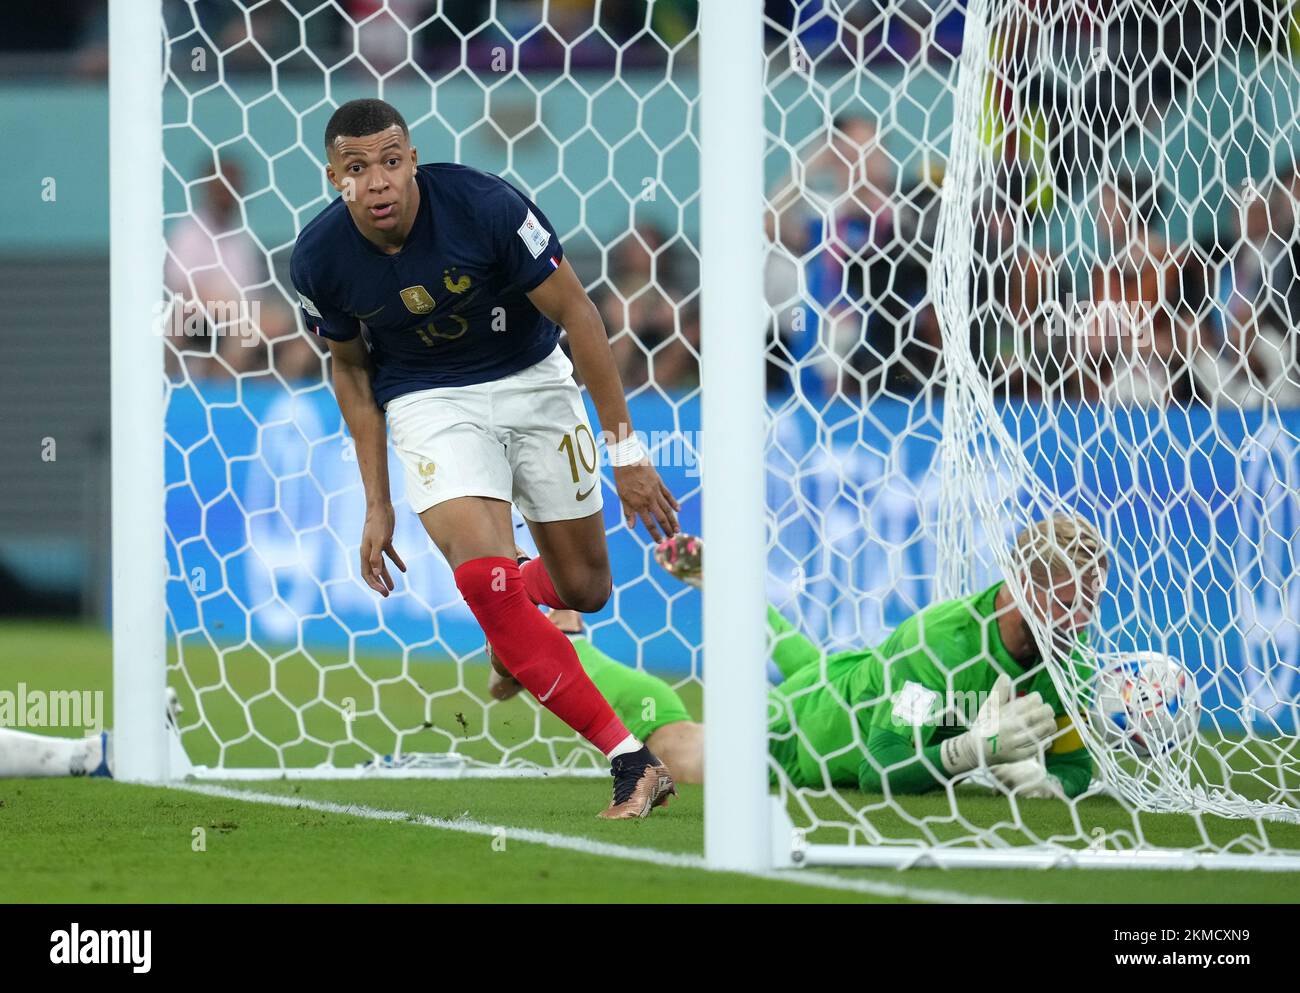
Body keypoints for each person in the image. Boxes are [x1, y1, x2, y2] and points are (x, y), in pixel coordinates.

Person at [289, 98, 679, 818]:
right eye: (355, 168)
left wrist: (625, 450)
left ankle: (519, 616)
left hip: (534, 382)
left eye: (390, 160)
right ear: (333, 178)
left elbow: (579, 314)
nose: (376, 182)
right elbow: (350, 369)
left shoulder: (486, 206)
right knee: (482, 578)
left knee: (586, 588)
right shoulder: (318, 260)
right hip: (429, 403)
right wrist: (377, 502)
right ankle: (631, 759)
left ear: (412, 159)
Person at [518, 517, 1105, 799]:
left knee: (810, 663)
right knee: (674, 746)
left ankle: (721, 581)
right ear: (1023, 585)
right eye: (1071, 603)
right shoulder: (944, 642)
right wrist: (972, 752)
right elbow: (880, 767)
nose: (1084, 621)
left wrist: (1042, 778)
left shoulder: (1068, 661)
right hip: (802, 735)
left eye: (1093, 603)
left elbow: (1079, 766)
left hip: (848, 680)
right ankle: (554, 641)